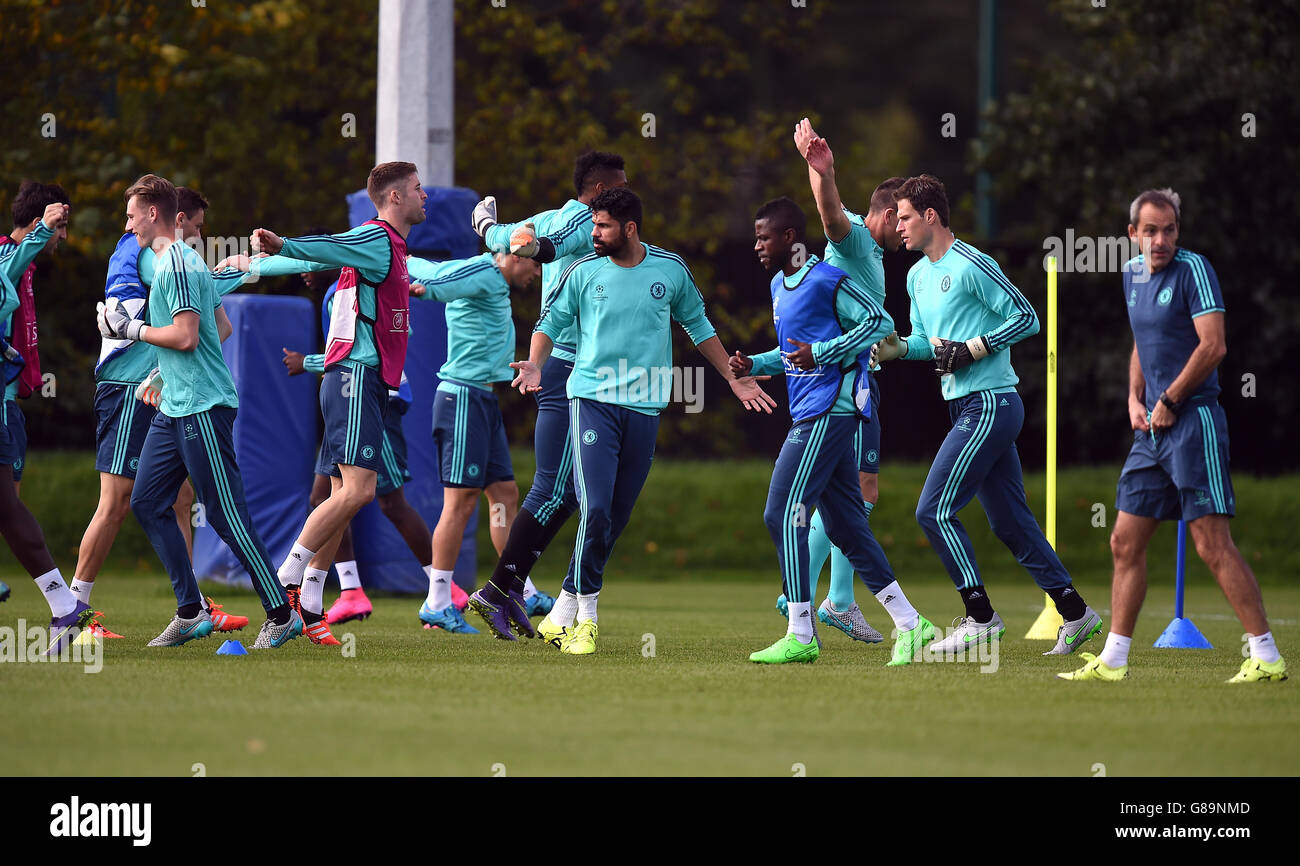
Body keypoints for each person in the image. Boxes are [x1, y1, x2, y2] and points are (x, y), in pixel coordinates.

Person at [510, 188, 776, 654]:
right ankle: (586, 622)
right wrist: (535, 363)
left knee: (614, 516)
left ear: (629, 229)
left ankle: (567, 602)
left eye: (603, 226)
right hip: (591, 399)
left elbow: (700, 327)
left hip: (646, 407)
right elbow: (548, 323)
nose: (594, 233)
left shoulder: (669, 270)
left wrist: (733, 381)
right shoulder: (582, 271)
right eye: (594, 225)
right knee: (593, 506)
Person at [1060, 188, 1286, 684]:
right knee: (1123, 541)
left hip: (1193, 421)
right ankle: (1114, 660)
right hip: (1152, 430)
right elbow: (1142, 342)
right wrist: (1135, 398)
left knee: (1211, 543)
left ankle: (1267, 655)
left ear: (1177, 231)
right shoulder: (1132, 274)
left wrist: (1171, 400)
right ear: (1132, 235)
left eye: (1168, 230)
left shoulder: (1195, 270)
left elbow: (1214, 346)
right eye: (1150, 231)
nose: (1160, 240)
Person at [872, 174, 1102, 657]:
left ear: (931, 215)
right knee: (1011, 525)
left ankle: (981, 617)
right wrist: (896, 349)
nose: (900, 227)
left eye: (907, 217)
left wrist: (976, 347)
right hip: (964, 406)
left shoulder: (973, 263)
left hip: (992, 403)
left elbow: (1026, 317)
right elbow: (929, 344)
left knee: (932, 510)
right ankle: (1077, 613)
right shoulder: (915, 276)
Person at [99, 174, 300, 648]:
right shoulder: (181, 261)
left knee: (227, 517)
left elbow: (187, 336)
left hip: (204, 409)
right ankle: (190, 610)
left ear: (153, 214)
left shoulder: (178, 265)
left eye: (131, 217)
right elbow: (219, 328)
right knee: (147, 502)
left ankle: (281, 612)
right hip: (177, 406)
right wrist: (163, 373)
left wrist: (133, 331)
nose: (128, 227)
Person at [734, 197, 932, 665]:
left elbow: (880, 323)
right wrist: (754, 364)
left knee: (781, 512)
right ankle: (911, 623)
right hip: (810, 410)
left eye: (764, 236)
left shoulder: (826, 277)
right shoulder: (779, 287)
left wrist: (823, 353)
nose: (757, 245)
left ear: (789, 238)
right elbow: (792, 354)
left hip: (831, 412)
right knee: (847, 525)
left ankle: (800, 632)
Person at [245, 162, 427, 645]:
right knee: (360, 493)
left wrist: (255, 266)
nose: (424, 195)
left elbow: (320, 259)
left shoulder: (391, 249)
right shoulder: (375, 238)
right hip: (355, 379)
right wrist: (285, 246)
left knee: (335, 496)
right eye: (416, 188)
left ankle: (308, 601)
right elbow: (329, 247)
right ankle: (286, 579)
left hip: (349, 379)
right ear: (393, 198)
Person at [73, 186, 249, 638]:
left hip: (158, 388)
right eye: (196, 227)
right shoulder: (142, 251)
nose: (198, 236)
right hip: (129, 387)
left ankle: (192, 608)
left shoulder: (179, 262)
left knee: (182, 499)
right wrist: (238, 269)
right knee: (115, 504)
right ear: (176, 218)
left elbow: (214, 326)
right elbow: (151, 310)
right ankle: (72, 611)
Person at [468, 150, 628, 621]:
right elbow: (550, 244)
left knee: (566, 492)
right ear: (599, 191)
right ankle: (499, 589)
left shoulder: (547, 216)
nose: (629, 193)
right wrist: (535, 248)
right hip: (568, 366)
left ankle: (505, 588)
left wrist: (485, 228)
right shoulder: (581, 221)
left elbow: (504, 236)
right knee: (553, 490)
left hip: (571, 363)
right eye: (621, 185)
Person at [769, 117, 907, 643]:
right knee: (838, 500)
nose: (909, 233)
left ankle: (838, 599)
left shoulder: (869, 248)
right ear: (889, 216)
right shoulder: (854, 243)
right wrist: (820, 170)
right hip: (845, 387)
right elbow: (828, 215)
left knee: (854, 494)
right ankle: (808, 591)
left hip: (858, 382)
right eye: (906, 221)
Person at [406, 250, 540, 636]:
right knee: (460, 502)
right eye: (535, 264)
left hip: (482, 400)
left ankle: (519, 588)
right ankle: (437, 602)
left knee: (504, 494)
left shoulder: (492, 277)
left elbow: (426, 266)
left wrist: (409, 261)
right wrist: (423, 289)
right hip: (461, 399)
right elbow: (440, 280)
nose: (537, 273)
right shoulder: (484, 271)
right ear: (515, 256)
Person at [0, 192, 85, 651]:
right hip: (6, 403)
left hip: (6, 403)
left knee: (9, 509)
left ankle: (65, 606)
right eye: (59, 229)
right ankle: (65, 606)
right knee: (8, 511)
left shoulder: (15, 264)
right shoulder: (10, 258)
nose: (63, 239)